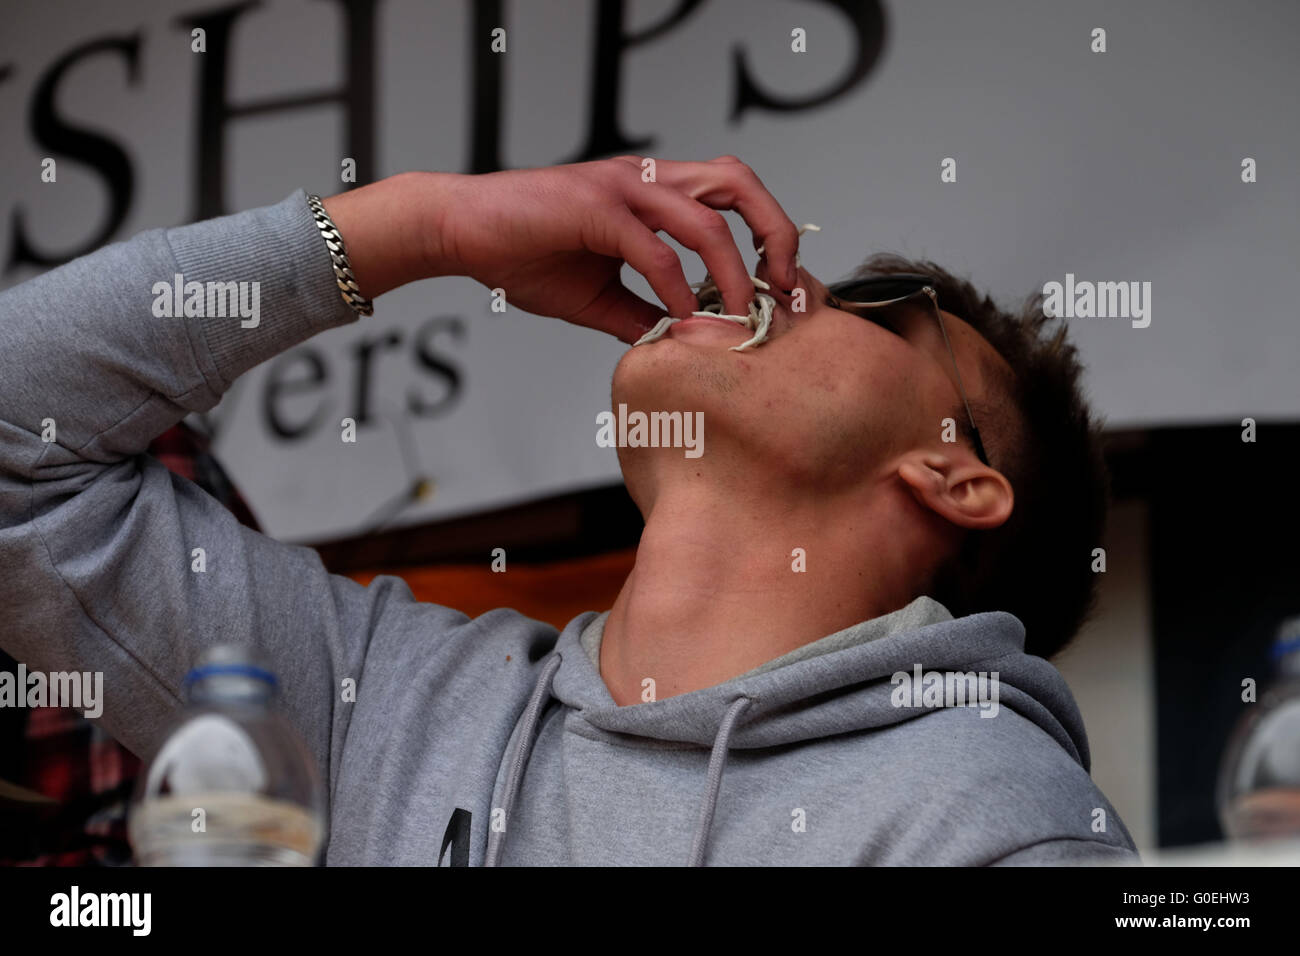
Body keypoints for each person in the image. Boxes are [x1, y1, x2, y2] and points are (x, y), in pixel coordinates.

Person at [0, 156, 1139, 865]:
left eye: (875, 306)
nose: (786, 283)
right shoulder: (382, 697)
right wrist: (424, 225)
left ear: (955, 475)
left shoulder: (996, 819)